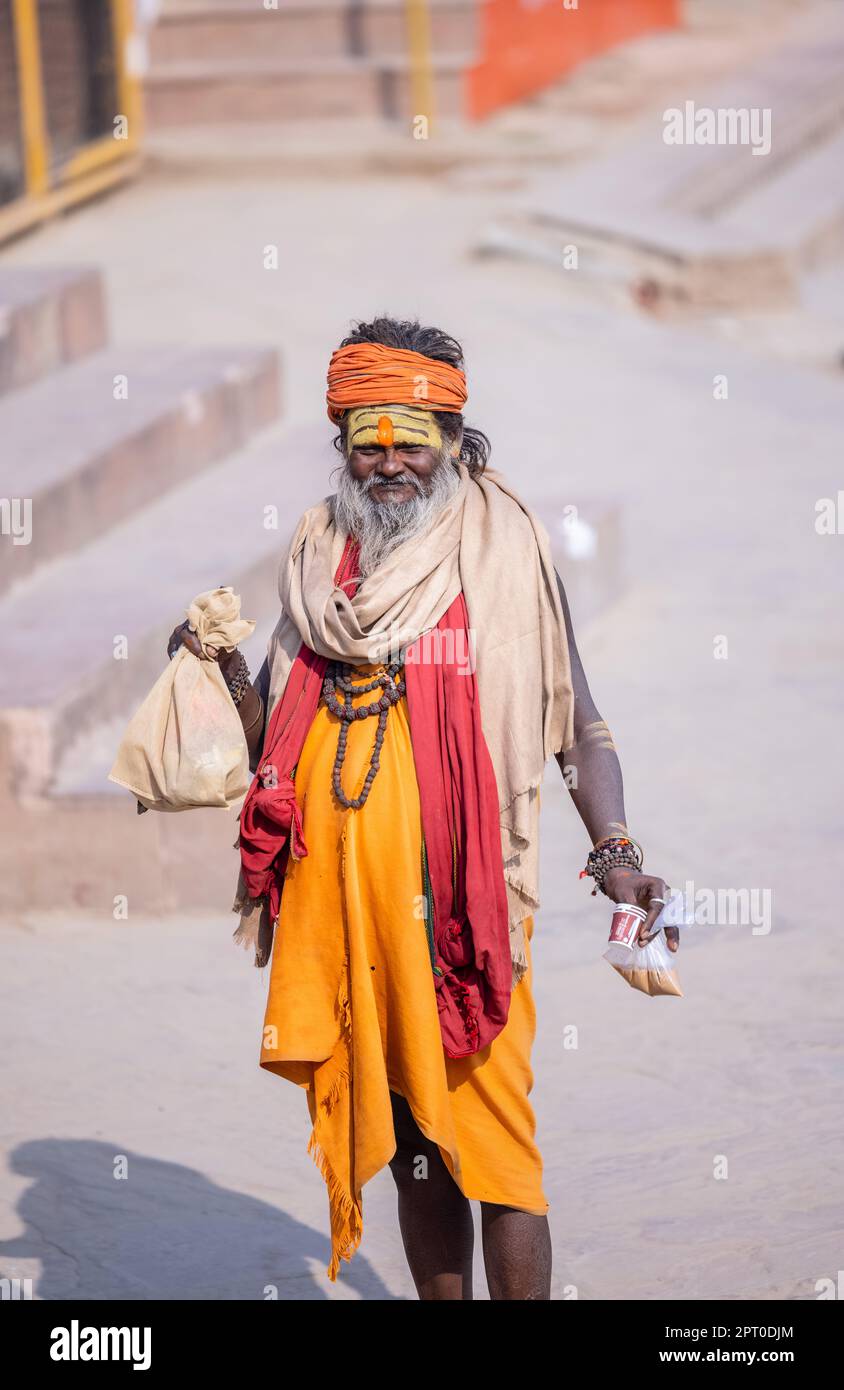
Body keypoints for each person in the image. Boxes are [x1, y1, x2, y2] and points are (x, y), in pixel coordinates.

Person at [167, 317, 676, 1301]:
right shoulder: (321, 548)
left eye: (410, 436)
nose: (390, 459)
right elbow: (277, 721)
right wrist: (222, 670)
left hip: (467, 901)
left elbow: (579, 718)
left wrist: (613, 850)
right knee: (410, 1142)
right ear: (344, 442)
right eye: (368, 439)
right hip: (343, 900)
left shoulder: (505, 545)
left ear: (452, 434)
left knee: (496, 1145)